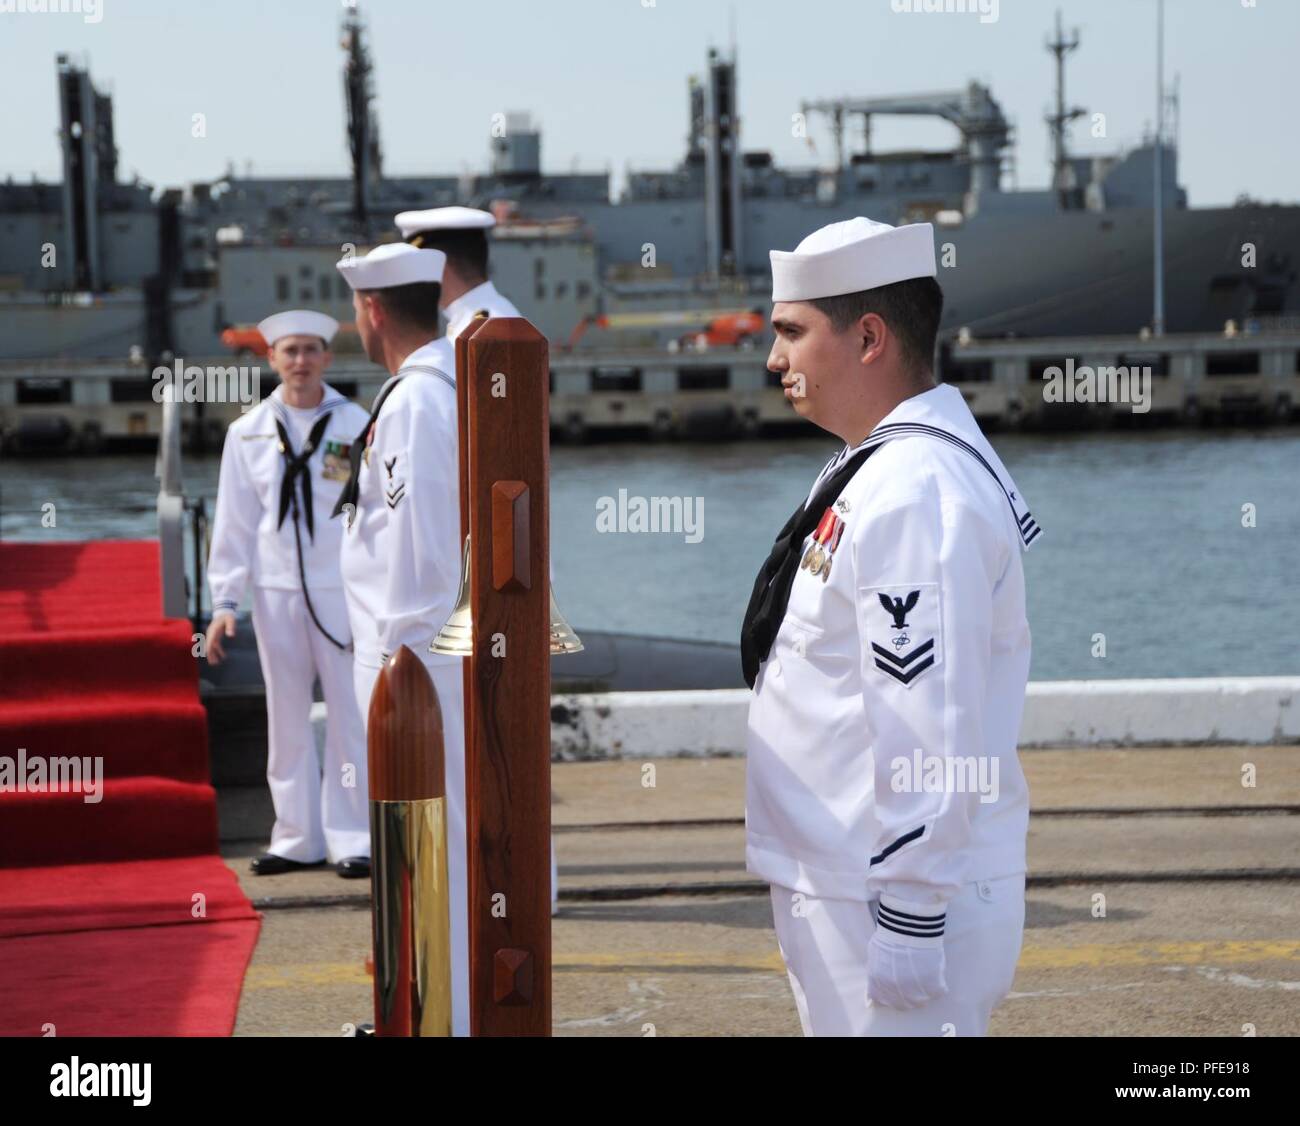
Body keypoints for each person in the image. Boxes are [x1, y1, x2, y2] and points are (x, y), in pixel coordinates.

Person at [740, 217, 1042, 1036]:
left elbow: (928, 714)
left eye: (793, 333)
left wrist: (910, 909)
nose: (775, 361)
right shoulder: (877, 463)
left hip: (886, 896)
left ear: (868, 336)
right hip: (848, 880)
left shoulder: (914, 489)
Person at [394, 205, 559, 917]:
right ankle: (518, 890)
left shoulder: (479, 339)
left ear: (433, 266)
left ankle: (517, 895)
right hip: (498, 566)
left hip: (486, 576)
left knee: (496, 745)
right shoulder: (497, 324)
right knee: (501, 746)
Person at [330, 242, 472, 1032]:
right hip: (410, 667)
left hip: (413, 672)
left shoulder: (418, 401)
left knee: (430, 852)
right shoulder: (427, 388)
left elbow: (421, 556)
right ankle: (418, 1010)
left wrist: (397, 675)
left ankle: (434, 1017)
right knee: (419, 854)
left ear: (373, 310)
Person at [205, 310, 372, 878]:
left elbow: (377, 515)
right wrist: (225, 604)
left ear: (327, 356)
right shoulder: (247, 432)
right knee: (287, 716)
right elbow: (233, 524)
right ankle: (297, 836)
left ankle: (353, 836)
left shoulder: (357, 423)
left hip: (343, 592)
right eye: (289, 351)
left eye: (310, 350)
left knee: (350, 716)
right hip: (277, 592)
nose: (300, 361)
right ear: (271, 359)